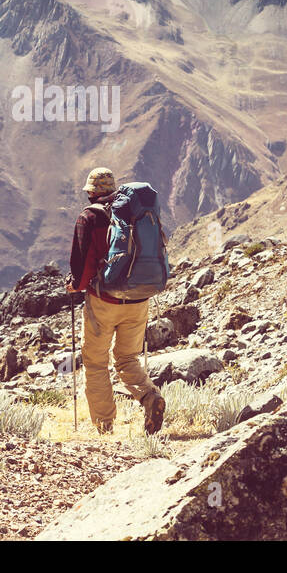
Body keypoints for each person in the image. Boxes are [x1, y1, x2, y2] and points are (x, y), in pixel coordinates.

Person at [67, 167, 165, 435]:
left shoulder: (90, 216)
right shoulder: (132, 211)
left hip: (105, 301)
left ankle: (105, 426)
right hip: (138, 299)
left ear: (91, 192)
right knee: (127, 358)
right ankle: (149, 396)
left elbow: (82, 262)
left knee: (96, 362)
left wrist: (76, 286)